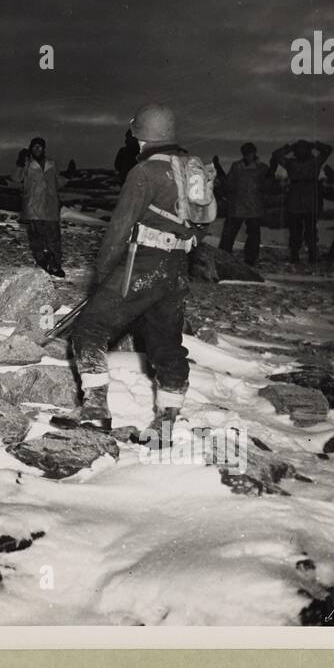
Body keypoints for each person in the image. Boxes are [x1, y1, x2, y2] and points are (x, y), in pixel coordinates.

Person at [64, 103, 199, 443]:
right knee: (166, 345)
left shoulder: (144, 171)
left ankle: (95, 411)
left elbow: (119, 229)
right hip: (178, 267)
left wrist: (104, 275)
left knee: (89, 329)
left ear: (142, 135)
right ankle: (166, 422)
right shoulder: (190, 168)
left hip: (143, 263)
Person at [270, 139, 333, 264]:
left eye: (304, 148)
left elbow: (328, 150)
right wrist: (290, 147)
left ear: (308, 150)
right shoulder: (290, 163)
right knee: (295, 231)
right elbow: (276, 155)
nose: (301, 151)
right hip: (295, 200)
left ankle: (312, 256)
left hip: (311, 200)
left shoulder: (315, 162)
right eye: (299, 148)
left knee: (311, 231)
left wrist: (315, 145)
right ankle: (294, 256)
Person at [12, 135, 64, 277]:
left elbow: (59, 181)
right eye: (34, 146)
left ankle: (56, 265)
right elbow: (16, 178)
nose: (37, 149)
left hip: (51, 207)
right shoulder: (26, 164)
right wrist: (20, 163)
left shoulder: (51, 164)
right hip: (33, 207)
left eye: (39, 146)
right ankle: (43, 262)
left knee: (54, 238)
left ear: (43, 148)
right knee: (37, 239)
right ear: (31, 148)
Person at [219, 142, 269, 266]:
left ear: (254, 152)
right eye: (245, 152)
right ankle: (223, 256)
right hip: (237, 205)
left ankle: (250, 259)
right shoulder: (236, 166)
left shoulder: (262, 168)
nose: (247, 154)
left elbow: (267, 186)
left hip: (254, 207)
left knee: (253, 235)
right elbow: (229, 183)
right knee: (229, 233)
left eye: (250, 151)